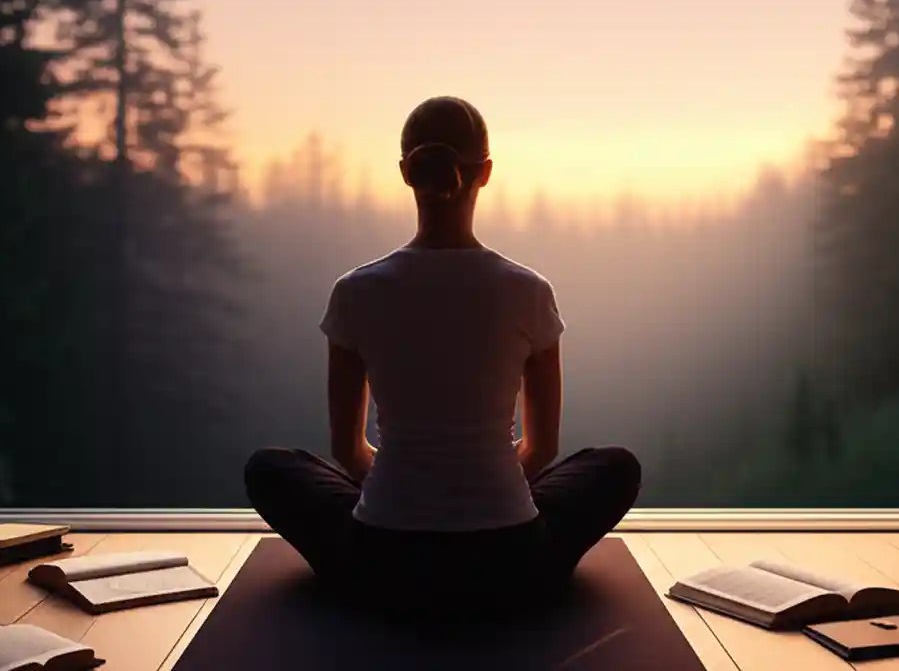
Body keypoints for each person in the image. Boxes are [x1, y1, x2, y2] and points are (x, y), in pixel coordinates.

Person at [244, 96, 640, 615]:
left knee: (271, 469)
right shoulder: (528, 291)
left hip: (380, 560)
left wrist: (414, 487)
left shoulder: (356, 291)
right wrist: (478, 486)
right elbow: (542, 451)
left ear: (407, 172)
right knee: (614, 467)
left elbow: (348, 450)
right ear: (486, 172)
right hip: (514, 563)